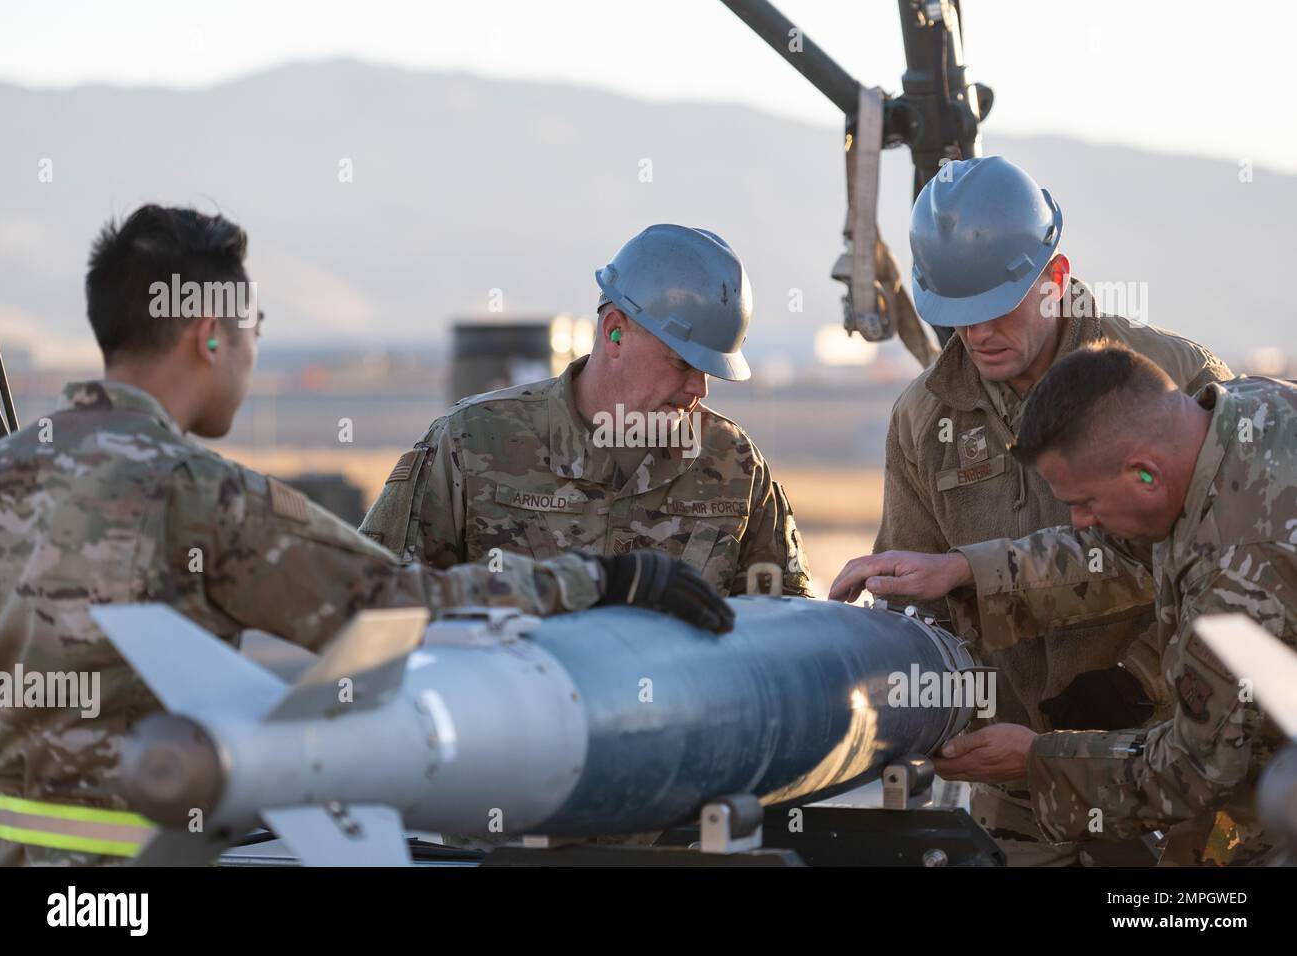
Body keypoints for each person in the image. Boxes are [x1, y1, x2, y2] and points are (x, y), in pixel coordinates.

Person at [0, 206, 731, 866]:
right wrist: (605, 581)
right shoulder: (200, 495)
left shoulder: (8, 468)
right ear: (208, 336)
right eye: (253, 333)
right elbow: (396, 608)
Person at [830, 156, 1231, 865]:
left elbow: (1223, 571)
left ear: (1054, 277)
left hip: (1169, 769)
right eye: (956, 315)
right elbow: (924, 603)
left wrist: (1135, 682)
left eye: (998, 306)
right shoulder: (924, 420)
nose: (978, 332)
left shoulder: (1165, 378)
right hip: (1015, 790)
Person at [835, 341, 1297, 865]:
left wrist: (1035, 761)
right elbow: (1125, 549)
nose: (1078, 522)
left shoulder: (1237, 567)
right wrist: (963, 569)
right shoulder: (1242, 413)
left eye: (1084, 503)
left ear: (1145, 472)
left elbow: (1199, 771)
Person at [361, 224, 812, 598]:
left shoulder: (733, 465)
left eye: (711, 370)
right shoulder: (471, 444)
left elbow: (784, 627)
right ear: (615, 332)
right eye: (683, 364)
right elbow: (376, 598)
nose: (699, 389)